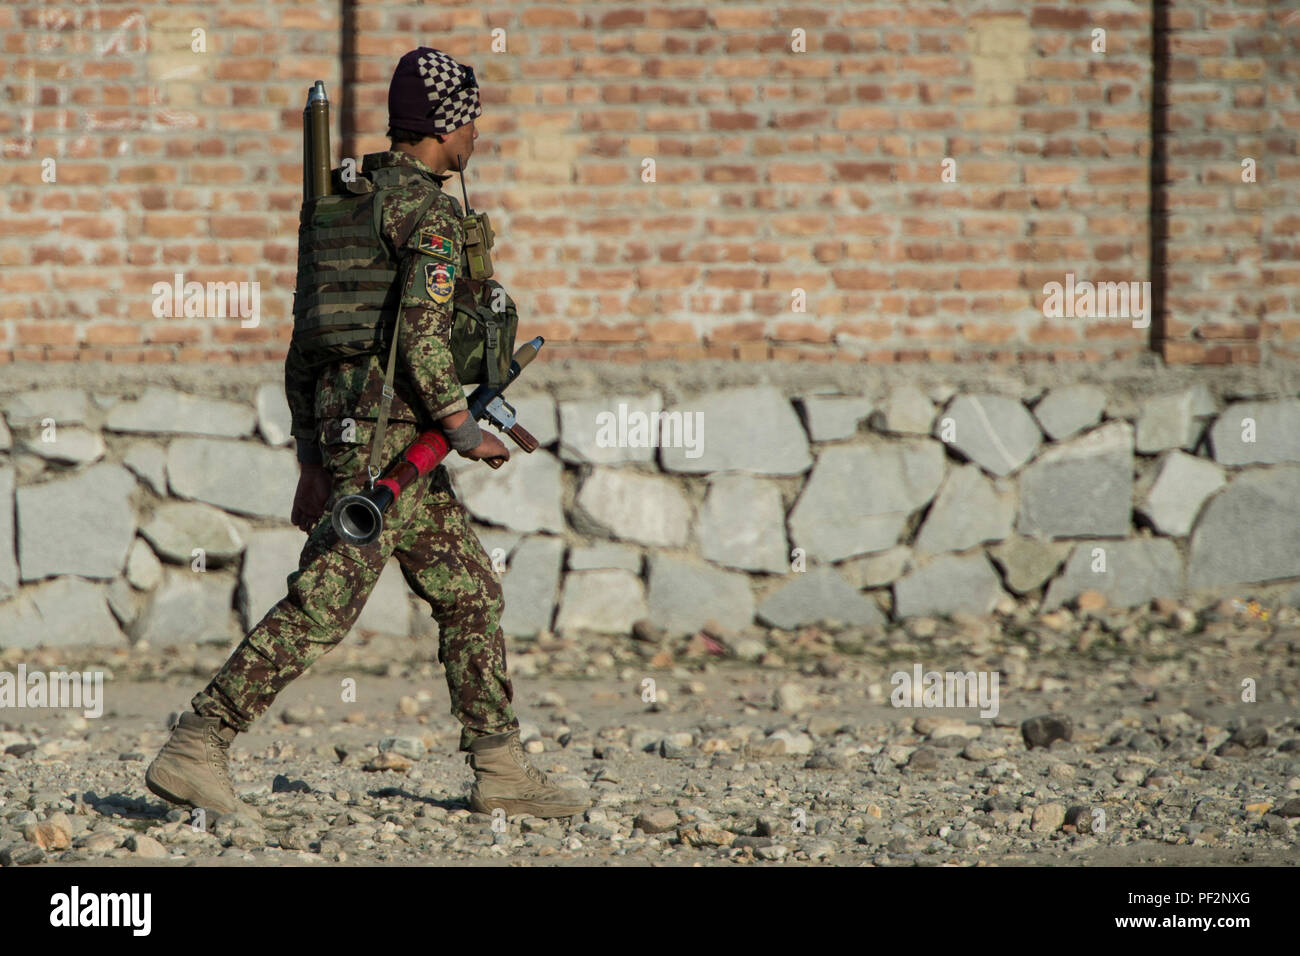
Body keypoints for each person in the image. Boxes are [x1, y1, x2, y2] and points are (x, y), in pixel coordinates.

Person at [145, 48, 591, 822]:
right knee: (324, 603)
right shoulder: (429, 215)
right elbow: (422, 339)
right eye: (472, 119)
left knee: (470, 592)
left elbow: (303, 345)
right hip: (396, 444)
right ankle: (198, 744)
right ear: (444, 127)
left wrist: (312, 456)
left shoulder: (339, 208)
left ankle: (501, 769)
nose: (479, 134)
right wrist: (462, 426)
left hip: (364, 438)